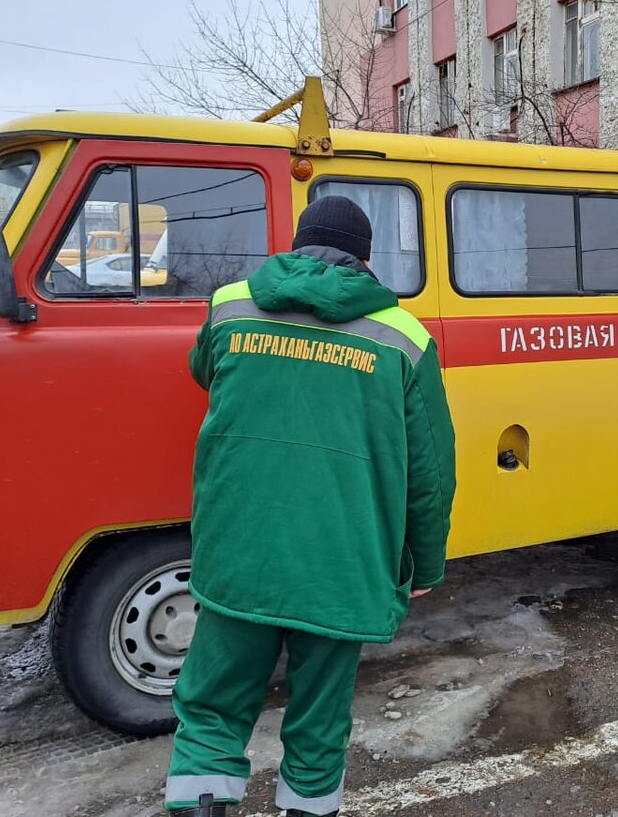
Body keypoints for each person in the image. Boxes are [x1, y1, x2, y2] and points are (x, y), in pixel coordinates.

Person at [164, 196, 457, 817]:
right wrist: (424, 566)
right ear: (365, 260)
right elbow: (430, 470)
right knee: (319, 718)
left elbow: (203, 372)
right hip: (342, 561)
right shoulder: (403, 338)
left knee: (213, 705)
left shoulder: (230, 306)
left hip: (239, 547)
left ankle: (200, 806)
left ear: (296, 245)